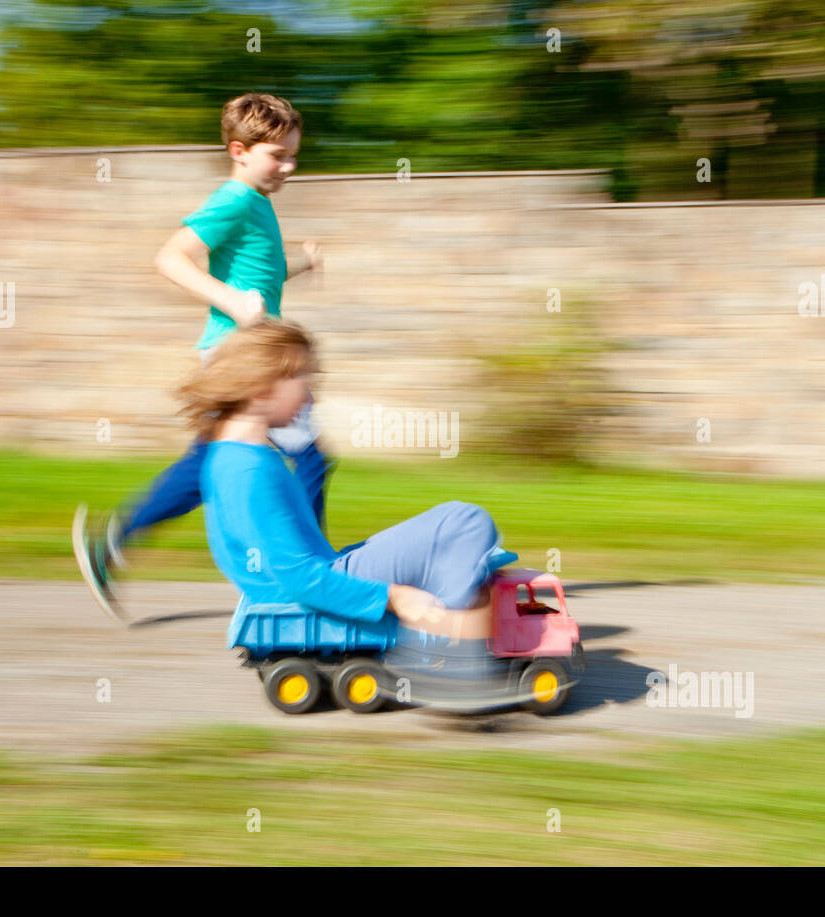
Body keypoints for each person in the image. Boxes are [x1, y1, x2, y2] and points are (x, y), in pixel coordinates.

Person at [74, 92, 330, 621]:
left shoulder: (256, 204)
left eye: (292, 154)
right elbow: (170, 258)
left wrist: (300, 263)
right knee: (308, 459)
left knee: (209, 464)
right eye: (276, 155)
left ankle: (113, 540)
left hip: (241, 356)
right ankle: (312, 576)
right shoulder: (234, 200)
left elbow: (257, 274)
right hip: (240, 357)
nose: (288, 165)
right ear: (240, 150)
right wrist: (231, 302)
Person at [187, 321, 514, 687]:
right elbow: (302, 580)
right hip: (327, 578)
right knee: (466, 520)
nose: (312, 397)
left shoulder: (229, 457)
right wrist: (397, 597)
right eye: (304, 381)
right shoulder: (252, 469)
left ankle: (455, 611)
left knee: (442, 531)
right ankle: (452, 651)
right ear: (263, 387)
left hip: (323, 571)